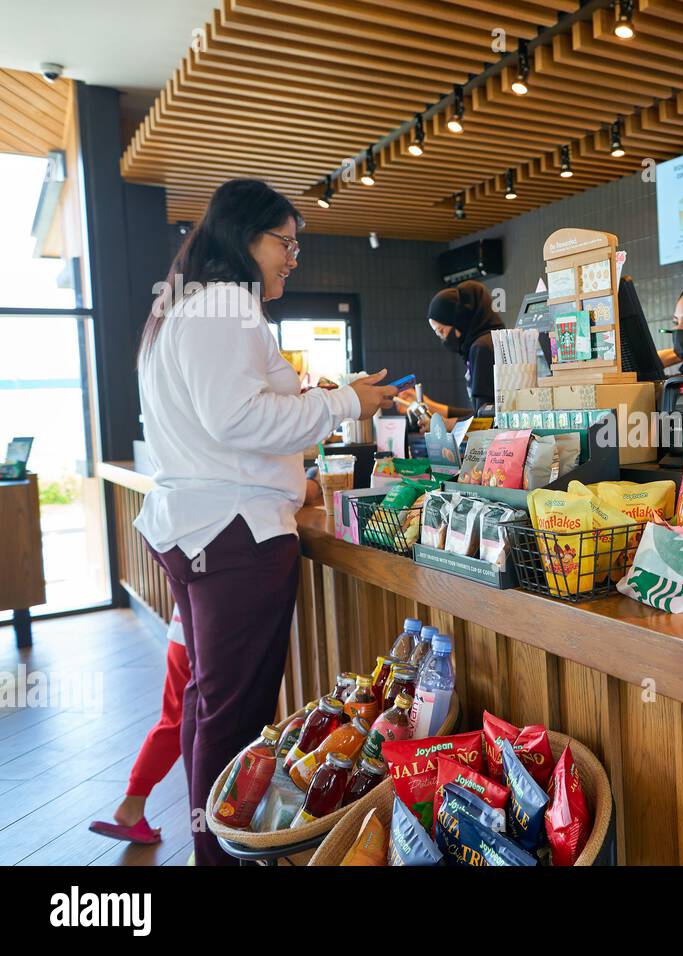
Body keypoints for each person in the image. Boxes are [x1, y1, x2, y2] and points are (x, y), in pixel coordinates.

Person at [134, 179, 397, 865]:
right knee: (232, 714)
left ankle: (207, 845)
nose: (293, 257)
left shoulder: (186, 309)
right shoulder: (226, 306)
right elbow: (238, 419)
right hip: (234, 535)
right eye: (285, 242)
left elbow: (228, 419)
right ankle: (220, 856)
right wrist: (344, 403)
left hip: (199, 530)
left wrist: (319, 415)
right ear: (243, 239)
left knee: (208, 703)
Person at [88, 606, 189, 846]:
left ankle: (133, 801)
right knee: (205, 725)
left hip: (182, 630)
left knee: (174, 722)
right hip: (203, 634)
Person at [427, 279, 505, 416]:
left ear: (459, 322)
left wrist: (446, 425)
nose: (442, 338)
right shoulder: (492, 340)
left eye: (441, 331)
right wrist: (435, 408)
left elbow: (486, 420)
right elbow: (481, 411)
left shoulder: (481, 348)